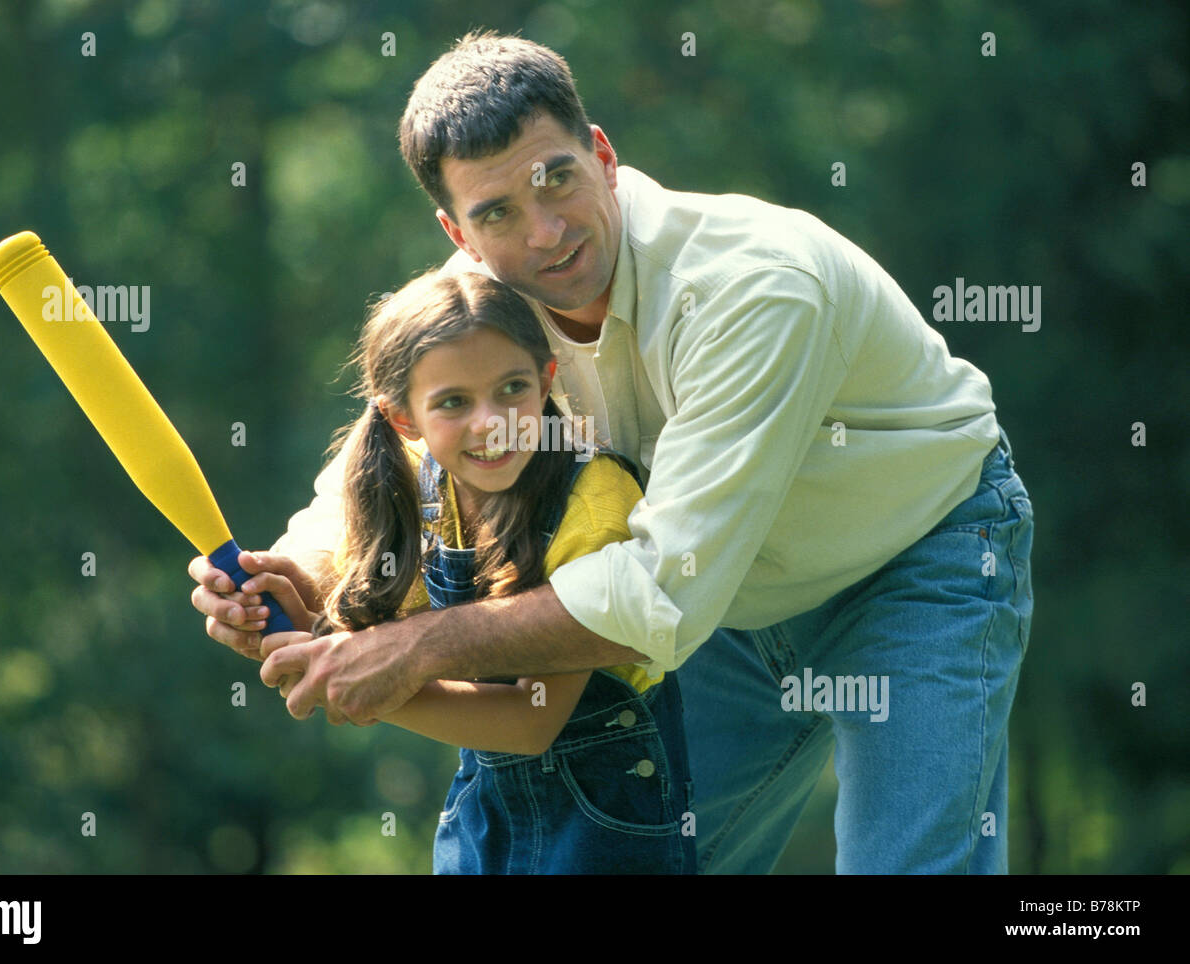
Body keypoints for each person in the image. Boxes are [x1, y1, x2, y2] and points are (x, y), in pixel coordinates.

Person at [193, 30, 1034, 874]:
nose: (547, 232)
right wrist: (297, 568)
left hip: (917, 555)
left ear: (602, 155)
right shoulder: (484, 294)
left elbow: (659, 595)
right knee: (646, 859)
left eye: (556, 177)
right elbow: (387, 453)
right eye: (497, 214)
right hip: (722, 602)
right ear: (458, 230)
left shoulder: (756, 288)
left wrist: (418, 645)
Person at [245, 268, 695, 874]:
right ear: (404, 418)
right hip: (482, 813)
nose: (492, 422)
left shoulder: (594, 504)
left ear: (546, 381)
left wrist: (363, 682)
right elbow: (354, 612)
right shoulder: (417, 485)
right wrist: (284, 609)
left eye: (512, 388)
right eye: (453, 402)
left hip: (608, 828)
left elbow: (532, 718)